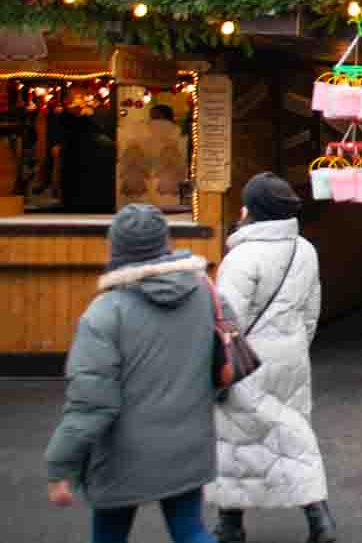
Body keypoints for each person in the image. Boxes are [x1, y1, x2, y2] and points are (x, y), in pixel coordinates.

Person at [44, 204, 220, 543]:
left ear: (115, 247)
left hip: (120, 456)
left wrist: (59, 466)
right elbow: (219, 362)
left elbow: (91, 405)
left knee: (109, 536)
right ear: (164, 241)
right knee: (191, 531)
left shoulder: (104, 314)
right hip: (189, 442)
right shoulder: (205, 292)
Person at [209, 172, 335, 543]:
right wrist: (296, 344)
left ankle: (230, 525)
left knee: (235, 440)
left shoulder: (241, 257)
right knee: (292, 436)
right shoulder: (304, 250)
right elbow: (311, 310)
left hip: (249, 361)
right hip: (292, 356)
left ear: (251, 210)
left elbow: (227, 321)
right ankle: (319, 519)